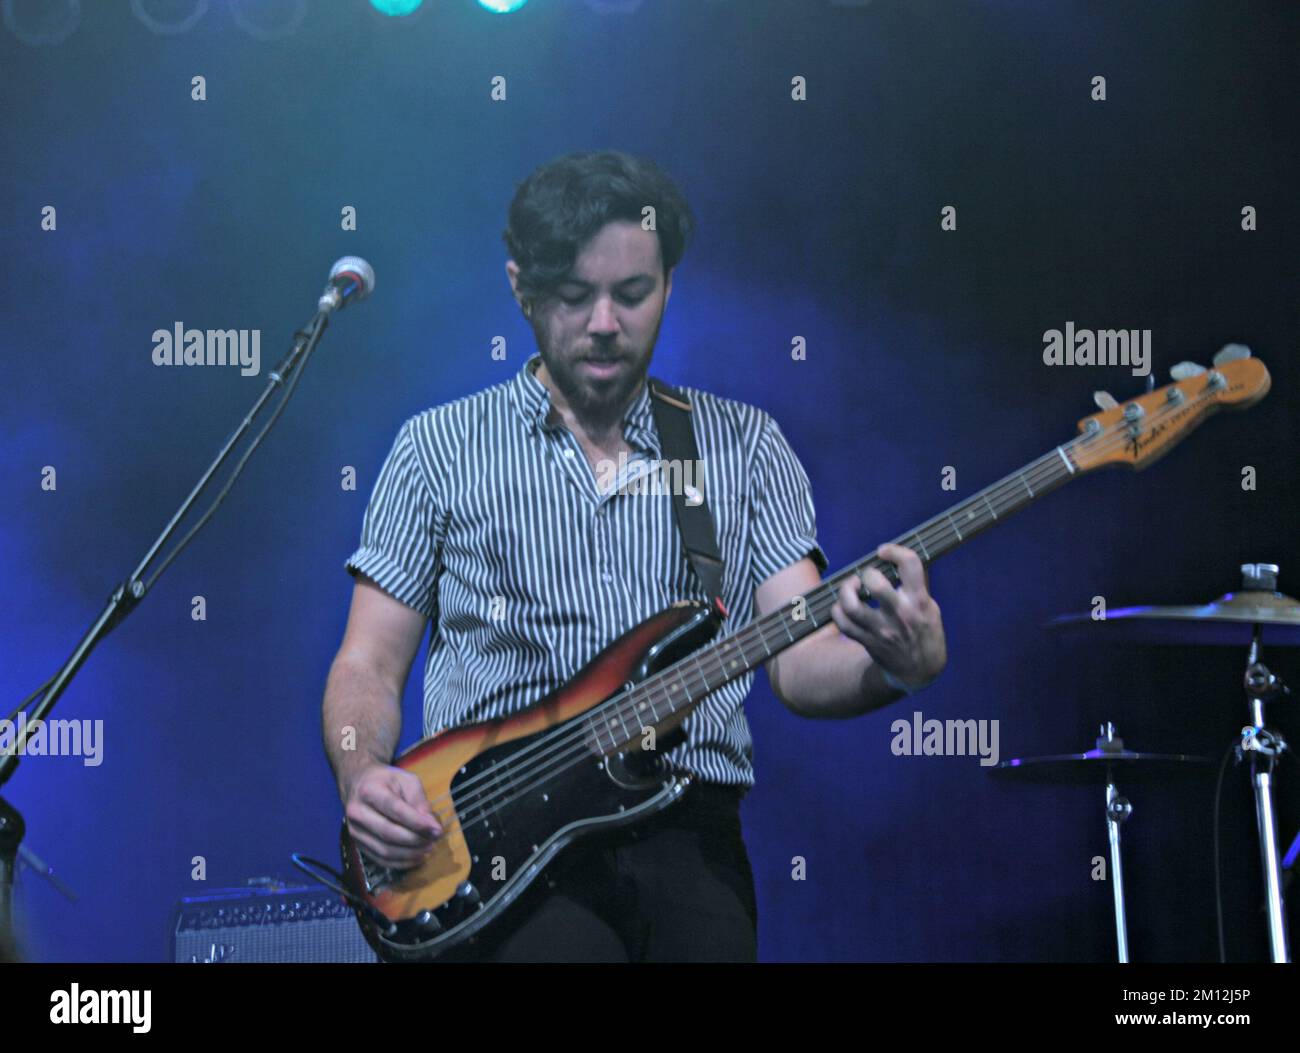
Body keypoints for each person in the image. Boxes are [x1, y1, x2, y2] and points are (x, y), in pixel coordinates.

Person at [321, 150, 947, 962]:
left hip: (688, 835)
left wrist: (898, 665)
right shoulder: (439, 448)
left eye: (633, 292)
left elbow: (799, 663)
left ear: (670, 285)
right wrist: (361, 771)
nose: (606, 323)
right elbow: (367, 661)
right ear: (521, 288)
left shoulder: (741, 446)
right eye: (575, 296)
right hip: (494, 838)